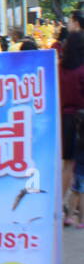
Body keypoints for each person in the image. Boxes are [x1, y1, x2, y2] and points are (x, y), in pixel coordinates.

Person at [58, 32, 84, 227]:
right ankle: (74, 205)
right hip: (80, 119)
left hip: (64, 118)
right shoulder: (82, 69)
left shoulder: (60, 68)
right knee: (79, 165)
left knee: (67, 164)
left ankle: (61, 204)